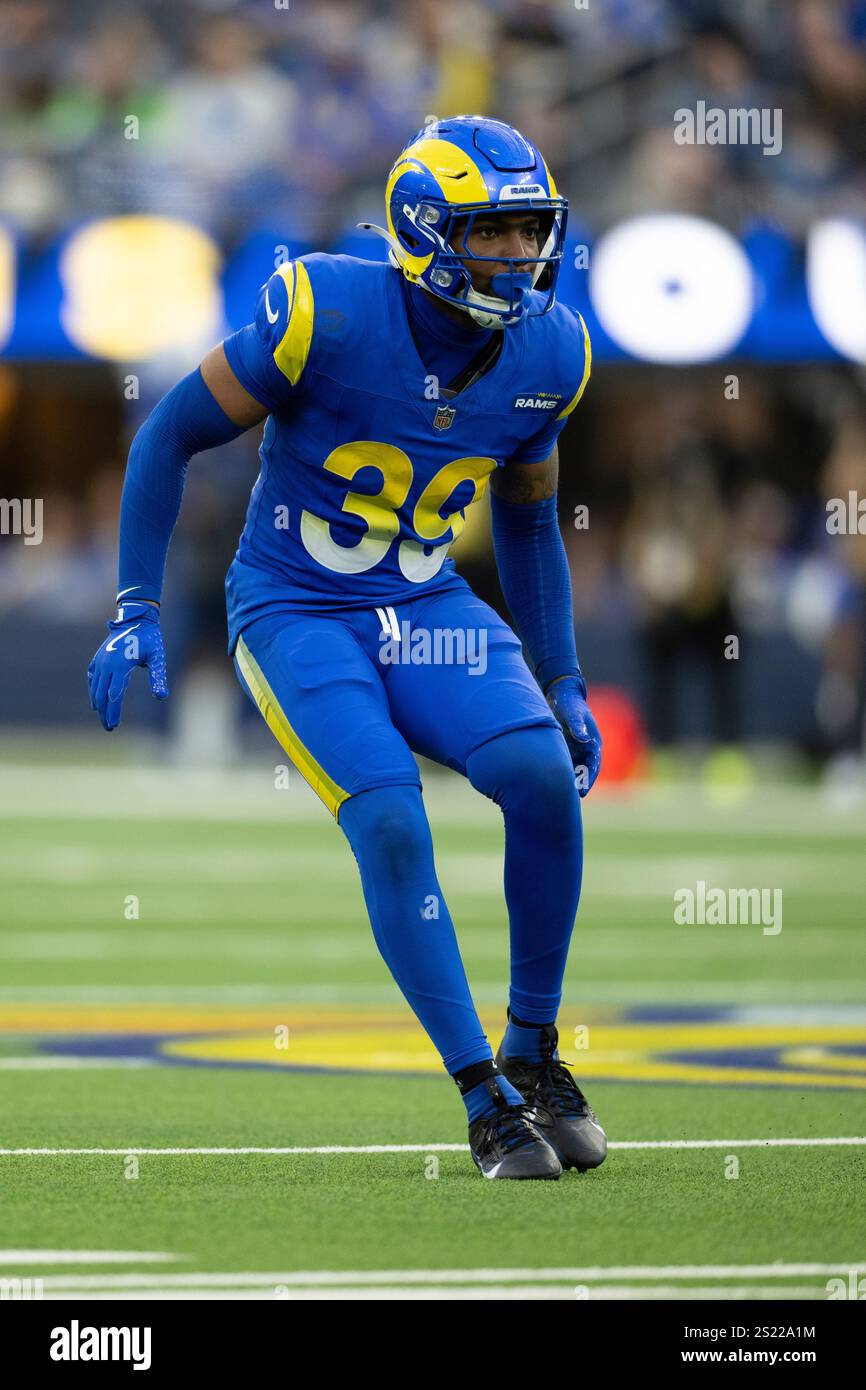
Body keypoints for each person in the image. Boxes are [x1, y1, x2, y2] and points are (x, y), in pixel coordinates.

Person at [88, 115, 605, 1180]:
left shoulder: (552, 349)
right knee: (388, 817)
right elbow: (167, 434)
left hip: (424, 600)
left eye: (527, 233)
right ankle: (484, 1099)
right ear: (424, 231)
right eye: (492, 233)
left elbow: (527, 516)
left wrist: (558, 674)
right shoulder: (324, 307)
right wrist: (135, 601)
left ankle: (534, 1049)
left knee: (542, 777)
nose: (518, 256)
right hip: (295, 605)